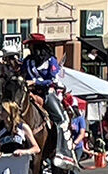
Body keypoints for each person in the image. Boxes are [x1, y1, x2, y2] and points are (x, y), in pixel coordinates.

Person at [22, 33, 72, 161]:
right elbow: (22, 75)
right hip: (30, 93)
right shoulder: (27, 61)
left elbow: (53, 80)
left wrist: (36, 82)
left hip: (47, 93)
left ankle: (64, 151)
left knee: (61, 119)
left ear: (37, 47)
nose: (29, 49)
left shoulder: (51, 61)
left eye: (31, 46)